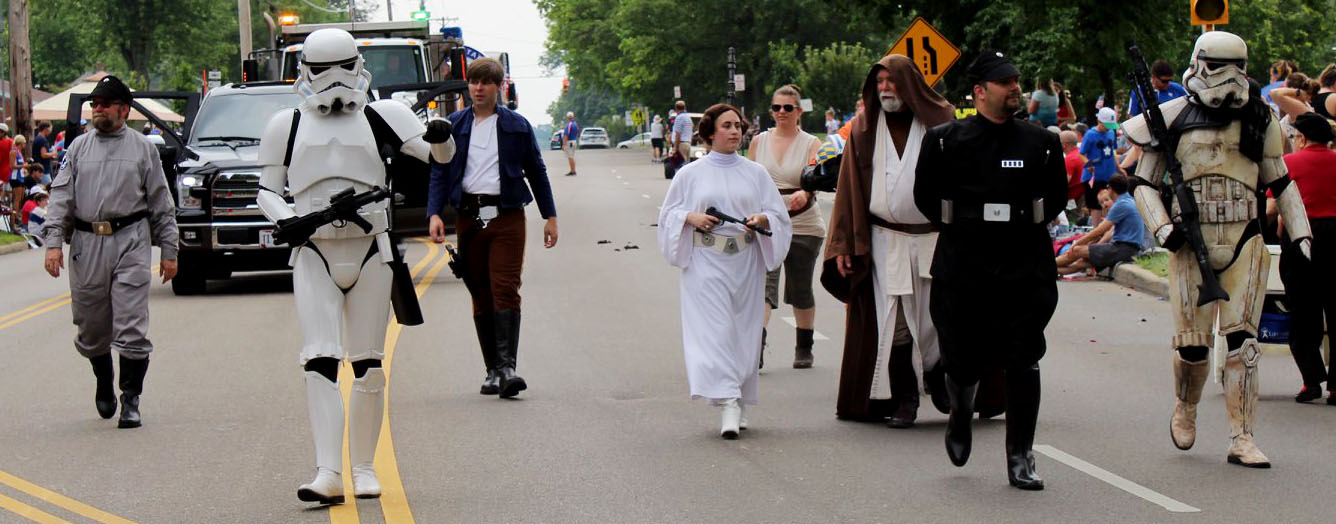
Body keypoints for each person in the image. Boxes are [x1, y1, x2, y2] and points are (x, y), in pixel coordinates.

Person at [255, 28, 456, 505]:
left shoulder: (383, 116)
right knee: (319, 358)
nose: (334, 80)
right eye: (322, 70)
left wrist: (442, 137)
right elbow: (267, 190)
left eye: (342, 66)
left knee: (367, 361)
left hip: (371, 248)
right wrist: (291, 219)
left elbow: (436, 159)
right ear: (304, 70)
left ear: (357, 65)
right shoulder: (286, 124)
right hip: (314, 250)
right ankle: (328, 471)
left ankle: (363, 466)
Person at [1123, 31, 1314, 468]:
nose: (1228, 78)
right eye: (1218, 66)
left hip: (1244, 237)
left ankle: (1242, 436)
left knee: (1243, 345)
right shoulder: (1167, 118)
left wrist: (1301, 231)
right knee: (1192, 347)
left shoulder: (1260, 119)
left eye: (1237, 67)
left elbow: (1279, 179)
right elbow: (1145, 184)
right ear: (1198, 63)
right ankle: (1186, 406)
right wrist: (1163, 228)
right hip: (1190, 243)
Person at [912, 49, 1068, 490]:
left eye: (1016, 79)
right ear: (980, 92)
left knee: (1024, 358)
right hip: (964, 265)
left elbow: (1055, 197)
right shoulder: (945, 141)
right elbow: (927, 197)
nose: (1015, 87)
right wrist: (969, 226)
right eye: (1005, 82)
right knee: (961, 360)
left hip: (1023, 265)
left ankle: (1021, 455)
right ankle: (960, 414)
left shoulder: (1041, 142)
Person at [822, 54, 955, 428]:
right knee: (894, 319)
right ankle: (905, 398)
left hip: (933, 238)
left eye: (891, 81)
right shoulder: (865, 127)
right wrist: (845, 244)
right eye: (879, 82)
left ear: (908, 83)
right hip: (886, 239)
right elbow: (849, 189)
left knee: (937, 318)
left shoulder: (940, 121)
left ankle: (936, 375)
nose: (884, 88)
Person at [39, 75, 179, 431]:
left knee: (131, 324)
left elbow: (162, 202)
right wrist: (54, 243)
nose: (97, 109)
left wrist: (169, 249)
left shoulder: (143, 148)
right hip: (87, 245)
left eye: (104, 104)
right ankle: (103, 379)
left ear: (123, 109)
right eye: (94, 104)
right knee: (92, 327)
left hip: (130, 240)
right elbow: (60, 198)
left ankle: (131, 399)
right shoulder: (78, 149)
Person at [427, 56, 558, 401]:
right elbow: (439, 171)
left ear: (499, 87)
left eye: (486, 82)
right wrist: (434, 214)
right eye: (474, 82)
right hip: (469, 217)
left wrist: (550, 216)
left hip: (507, 216)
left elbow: (537, 170)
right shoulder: (453, 125)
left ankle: (508, 369)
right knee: (480, 292)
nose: (479, 88)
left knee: (506, 287)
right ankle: (492, 371)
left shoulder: (517, 126)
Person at [657, 103, 791, 439]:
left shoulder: (755, 173)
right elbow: (669, 214)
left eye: (738, 126)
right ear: (710, 132)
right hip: (706, 262)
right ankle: (728, 400)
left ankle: (741, 397)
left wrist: (762, 219)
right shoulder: (690, 174)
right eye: (727, 126)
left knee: (744, 332)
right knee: (715, 331)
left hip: (745, 261)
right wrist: (691, 217)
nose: (734, 132)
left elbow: (777, 214)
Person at [748, 85, 823, 369]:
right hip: (768, 220)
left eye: (788, 108)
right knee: (765, 285)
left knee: (800, 288)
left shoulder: (811, 143)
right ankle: (757, 346)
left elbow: (818, 179)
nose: (781, 113)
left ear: (799, 111)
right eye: (776, 108)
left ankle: (804, 347)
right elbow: (750, 180)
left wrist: (807, 192)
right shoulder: (758, 142)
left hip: (803, 222)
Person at [1279, 113, 1336, 405]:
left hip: (1302, 236)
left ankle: (1311, 381)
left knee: (1303, 312)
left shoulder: (1290, 163)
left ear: (1301, 139)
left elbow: (1273, 210)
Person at [1055, 175, 1144, 275]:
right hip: (1129, 249)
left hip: (1123, 249)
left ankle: (1044, 266)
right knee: (1082, 263)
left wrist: (1078, 242)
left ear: (1111, 189)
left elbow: (1100, 230)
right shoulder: (1128, 200)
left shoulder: (1121, 204)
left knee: (1076, 250)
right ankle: (1045, 272)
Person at [1081, 107, 1121, 225]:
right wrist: (1088, 164)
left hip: (1109, 173)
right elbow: (1081, 153)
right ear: (1099, 121)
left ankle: (1107, 227)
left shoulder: (1111, 133)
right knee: (1095, 205)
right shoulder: (1090, 134)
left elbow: (1113, 151)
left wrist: (1119, 168)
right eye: (1106, 125)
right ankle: (1096, 229)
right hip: (1094, 176)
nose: (1108, 128)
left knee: (1109, 201)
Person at [1060, 130, 1086, 212]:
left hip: (1073, 199)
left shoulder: (1069, 159)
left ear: (1064, 145)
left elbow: (1063, 183)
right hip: (1084, 194)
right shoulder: (1082, 154)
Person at [561, 111, 579, 176]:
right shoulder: (575, 124)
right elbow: (577, 132)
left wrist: (564, 144)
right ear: (573, 117)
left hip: (570, 141)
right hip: (574, 140)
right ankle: (573, 170)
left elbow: (566, 135)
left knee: (570, 157)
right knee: (572, 156)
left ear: (568, 117)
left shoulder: (569, 125)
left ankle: (573, 171)